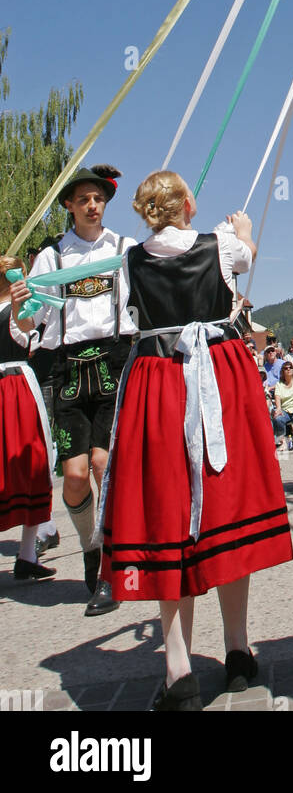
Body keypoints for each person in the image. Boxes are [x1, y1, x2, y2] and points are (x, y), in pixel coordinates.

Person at [96, 171, 293, 710]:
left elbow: (123, 320)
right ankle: (238, 651)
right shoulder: (221, 246)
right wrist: (246, 227)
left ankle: (178, 667)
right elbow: (247, 256)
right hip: (219, 379)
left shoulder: (129, 260)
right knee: (224, 508)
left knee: (169, 517)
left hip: (158, 385)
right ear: (188, 203)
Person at [9, 164, 135, 616]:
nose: (92, 205)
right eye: (83, 199)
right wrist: (22, 306)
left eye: (98, 198)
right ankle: (91, 546)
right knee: (76, 475)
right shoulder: (51, 258)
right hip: (67, 369)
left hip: (114, 362)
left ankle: (112, 568)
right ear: (69, 205)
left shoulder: (125, 249)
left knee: (105, 464)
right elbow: (26, 329)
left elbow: (143, 305)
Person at [0, 257, 56, 582]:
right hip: (17, 389)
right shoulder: (18, 313)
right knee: (34, 462)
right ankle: (26, 554)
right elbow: (31, 342)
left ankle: (28, 554)